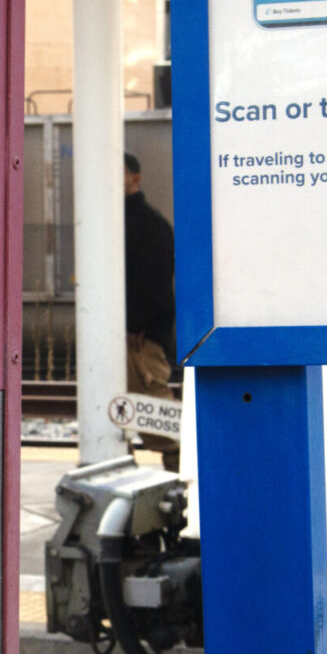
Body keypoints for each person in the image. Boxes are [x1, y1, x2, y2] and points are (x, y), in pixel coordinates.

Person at [123, 152, 181, 466]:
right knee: (132, 407)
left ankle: (184, 470)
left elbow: (156, 284)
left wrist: (135, 326)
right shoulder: (140, 223)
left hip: (139, 336)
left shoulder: (149, 225)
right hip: (133, 332)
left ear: (135, 178)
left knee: (153, 408)